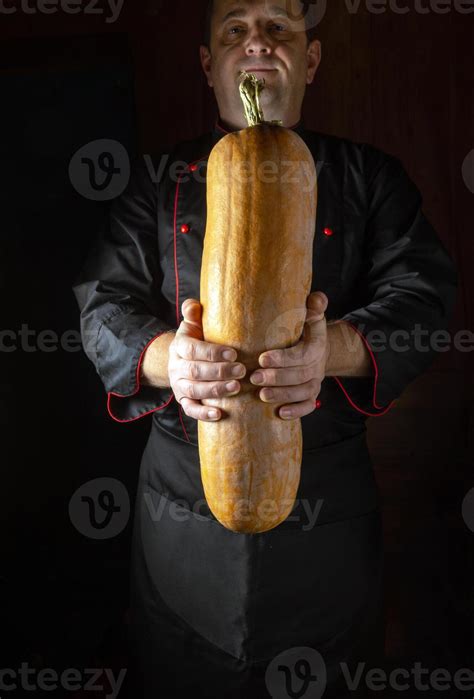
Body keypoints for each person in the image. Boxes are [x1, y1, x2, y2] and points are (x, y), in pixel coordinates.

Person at [72, 0, 459, 696]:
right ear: (208, 63)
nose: (257, 43)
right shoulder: (156, 181)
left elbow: (425, 301)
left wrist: (331, 349)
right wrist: (170, 358)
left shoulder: (370, 178)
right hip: (181, 506)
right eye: (235, 31)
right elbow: (102, 305)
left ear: (310, 59)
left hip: (325, 512)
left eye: (279, 28)